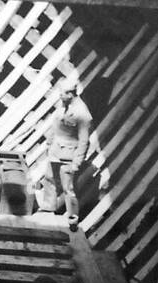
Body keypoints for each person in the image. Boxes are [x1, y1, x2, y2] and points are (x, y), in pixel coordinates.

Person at [44, 77, 92, 228]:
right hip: (55, 151)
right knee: (49, 179)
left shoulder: (82, 114)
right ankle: (47, 208)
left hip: (68, 157)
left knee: (68, 189)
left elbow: (84, 141)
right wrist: (50, 141)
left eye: (63, 93)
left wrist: (77, 163)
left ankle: (72, 219)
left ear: (71, 94)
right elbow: (57, 126)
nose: (60, 95)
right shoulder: (64, 105)